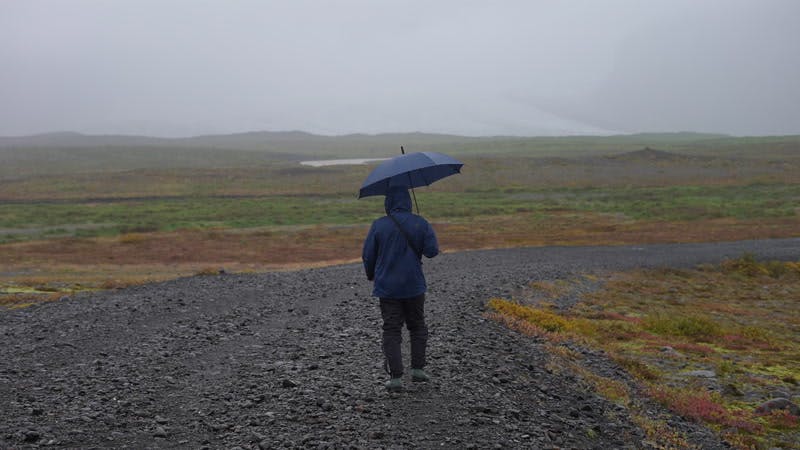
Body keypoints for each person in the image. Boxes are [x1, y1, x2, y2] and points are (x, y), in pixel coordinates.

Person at [362, 186, 439, 392]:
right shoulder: (420, 223)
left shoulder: (379, 225)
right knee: (418, 326)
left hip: (387, 287)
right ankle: (418, 370)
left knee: (391, 329)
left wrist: (372, 275)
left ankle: (395, 378)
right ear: (408, 201)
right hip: (414, 285)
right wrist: (422, 231)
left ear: (387, 203)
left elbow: (368, 255)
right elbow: (432, 252)